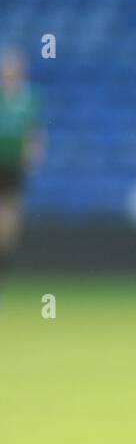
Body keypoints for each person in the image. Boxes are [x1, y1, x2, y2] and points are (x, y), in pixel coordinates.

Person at [0, 48, 43, 280]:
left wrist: (32, 154)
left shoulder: (29, 98)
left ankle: (4, 257)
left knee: (10, 213)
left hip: (13, 164)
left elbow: (33, 131)